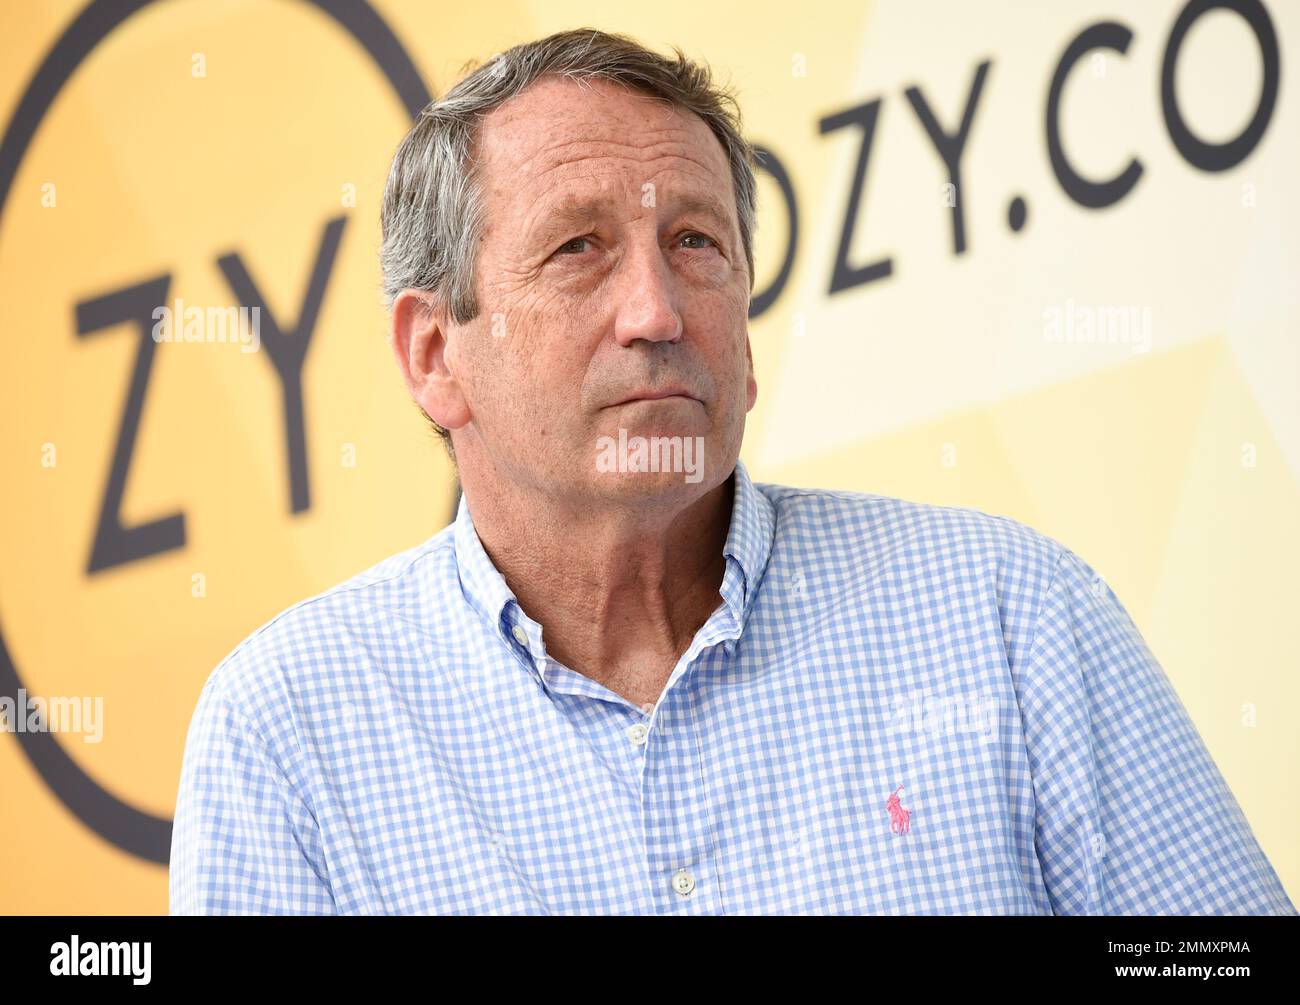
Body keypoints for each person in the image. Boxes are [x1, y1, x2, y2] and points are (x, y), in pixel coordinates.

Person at [169, 27, 1296, 915]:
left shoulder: (1010, 617)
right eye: (578, 250)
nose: (658, 311)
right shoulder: (293, 729)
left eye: (697, 245)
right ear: (432, 354)